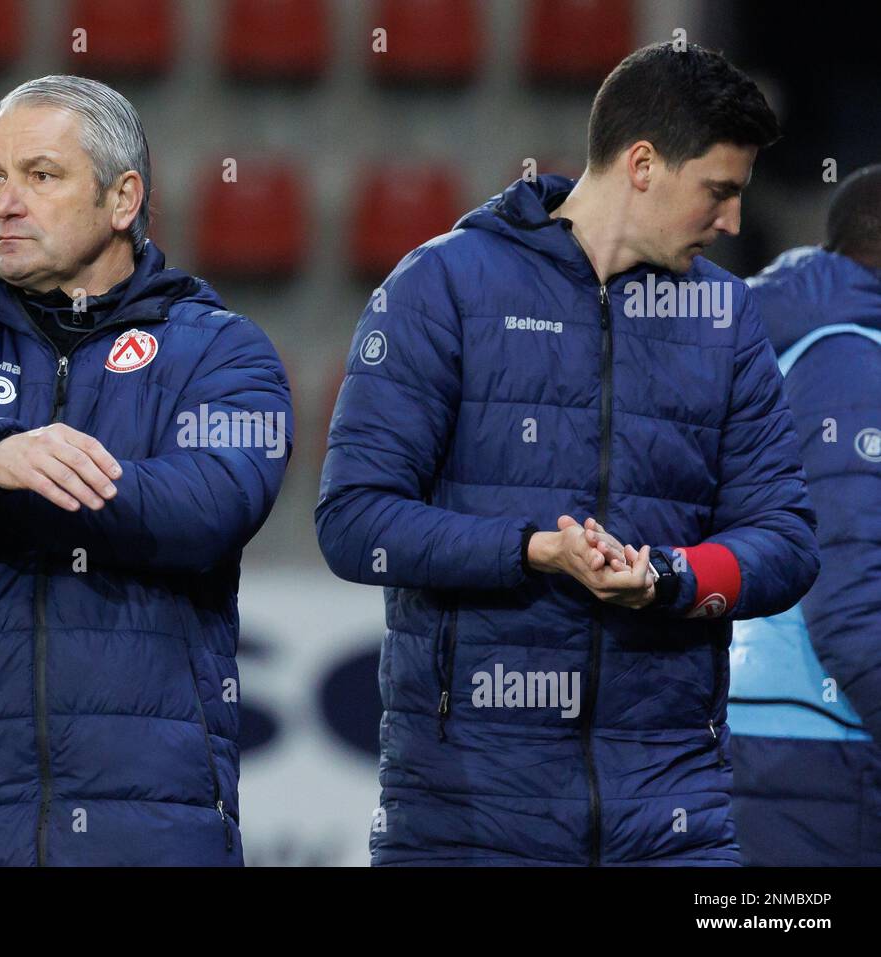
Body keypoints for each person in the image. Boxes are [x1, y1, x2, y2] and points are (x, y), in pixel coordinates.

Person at [315, 42, 819, 865]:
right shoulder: (443, 287)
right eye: (719, 192)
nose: (732, 222)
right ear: (644, 163)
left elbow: (788, 542)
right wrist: (531, 550)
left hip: (673, 820)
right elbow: (352, 520)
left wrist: (671, 577)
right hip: (467, 819)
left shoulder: (728, 317)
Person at [0, 75, 292, 866]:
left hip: (148, 828)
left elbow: (209, 505)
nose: (5, 202)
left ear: (122, 198)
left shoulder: (219, 349)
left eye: (41, 175)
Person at [728, 165, 881, 866]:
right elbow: (850, 608)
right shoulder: (849, 361)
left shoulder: (831, 346)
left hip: (800, 747)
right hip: (818, 750)